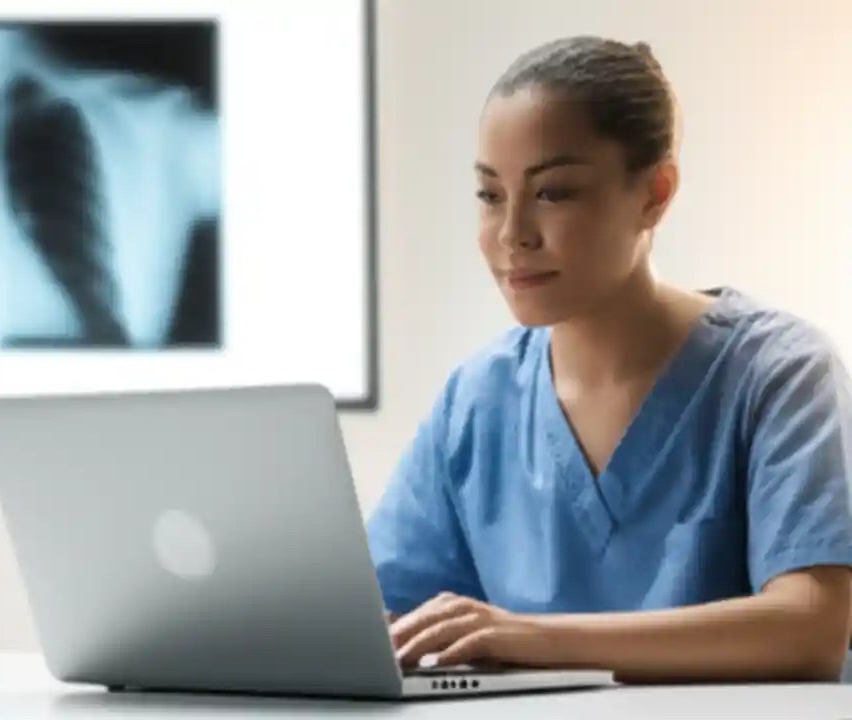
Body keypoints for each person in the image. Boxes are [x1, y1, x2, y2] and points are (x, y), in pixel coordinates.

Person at [365, 35, 852, 683]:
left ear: (656, 191)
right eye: (490, 196)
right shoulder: (479, 399)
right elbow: (374, 616)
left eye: (554, 193)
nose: (513, 234)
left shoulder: (779, 374)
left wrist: (533, 639)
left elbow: (811, 628)